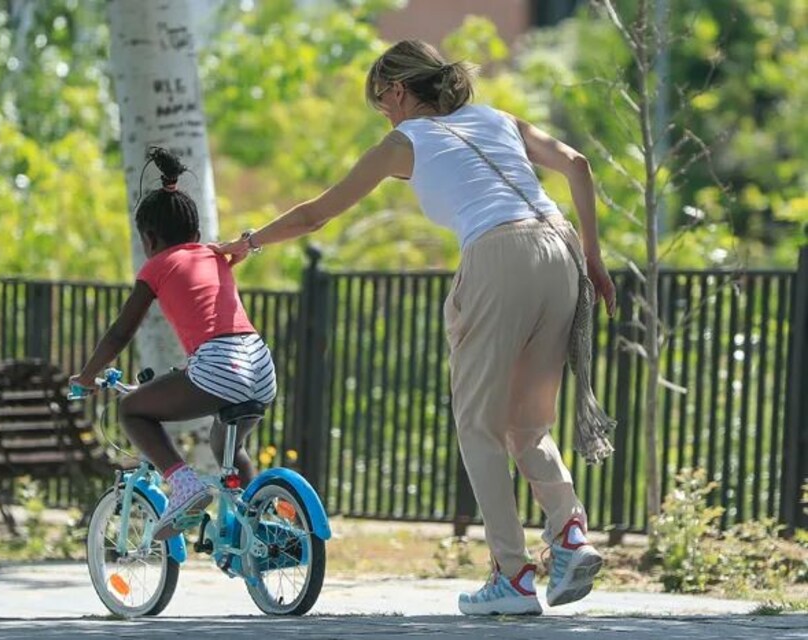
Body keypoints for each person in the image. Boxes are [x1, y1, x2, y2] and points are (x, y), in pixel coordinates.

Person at [213, 40, 616, 615]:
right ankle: (570, 535)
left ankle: (514, 575)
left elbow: (316, 214)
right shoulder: (500, 119)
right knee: (526, 423)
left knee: (477, 423)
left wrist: (246, 243)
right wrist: (594, 261)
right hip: (561, 251)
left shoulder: (405, 142)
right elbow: (577, 165)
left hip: (499, 255)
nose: (384, 115)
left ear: (397, 91)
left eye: (381, 103)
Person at [70, 147, 276, 541]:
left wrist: (87, 375)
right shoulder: (214, 254)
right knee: (228, 448)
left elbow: (120, 331)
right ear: (196, 235)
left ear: (148, 239)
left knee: (131, 409)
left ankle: (184, 486)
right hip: (260, 365)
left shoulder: (157, 266)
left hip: (219, 364)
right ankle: (257, 526)